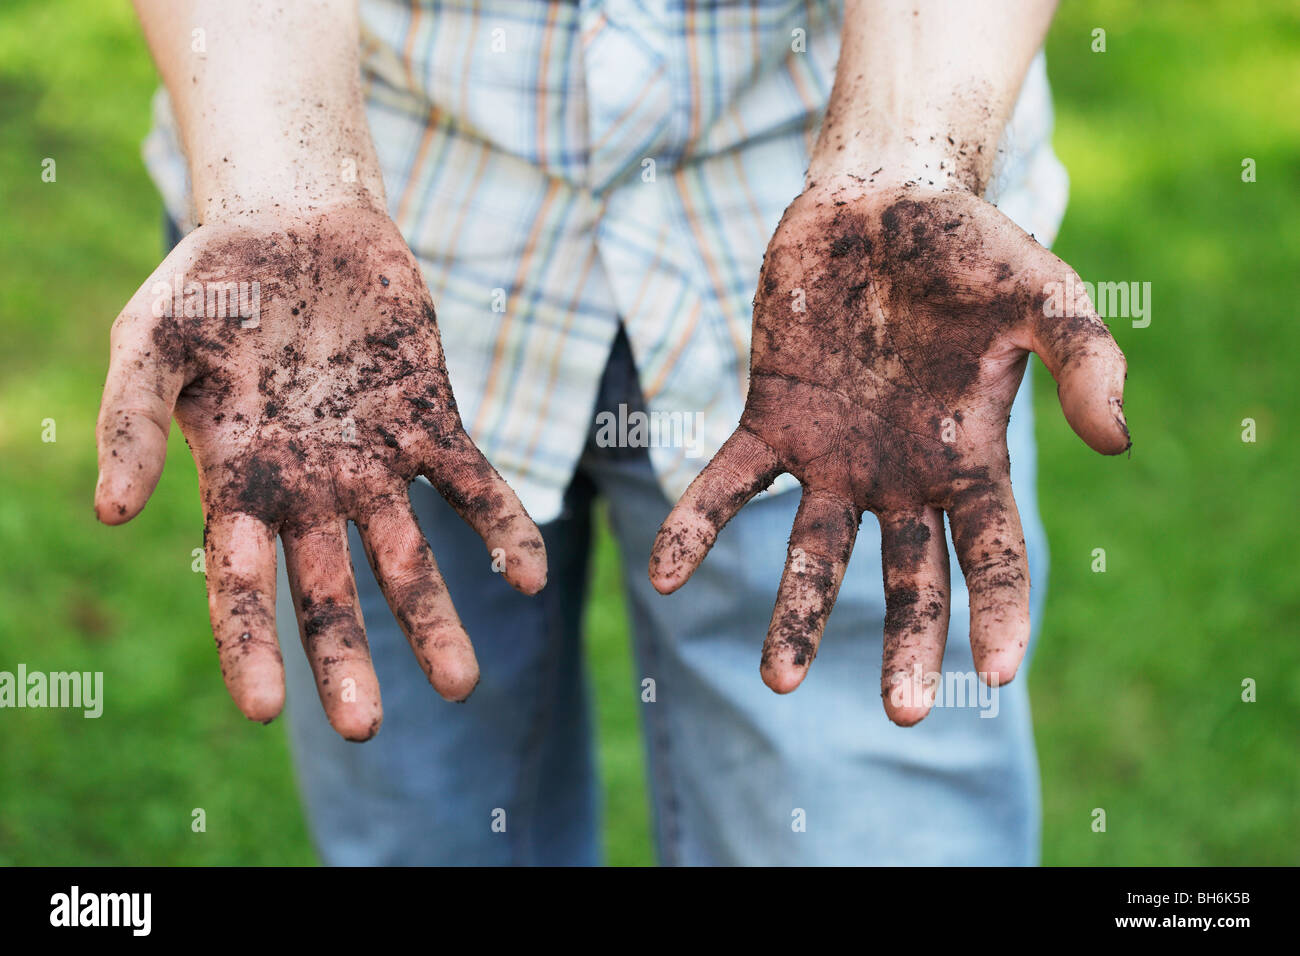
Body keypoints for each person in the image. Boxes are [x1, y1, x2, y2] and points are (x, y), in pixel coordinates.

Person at [98, 0, 1129, 865]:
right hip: (347, 305)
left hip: (847, 310)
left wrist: (911, 166)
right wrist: (280, 185)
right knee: (426, 832)